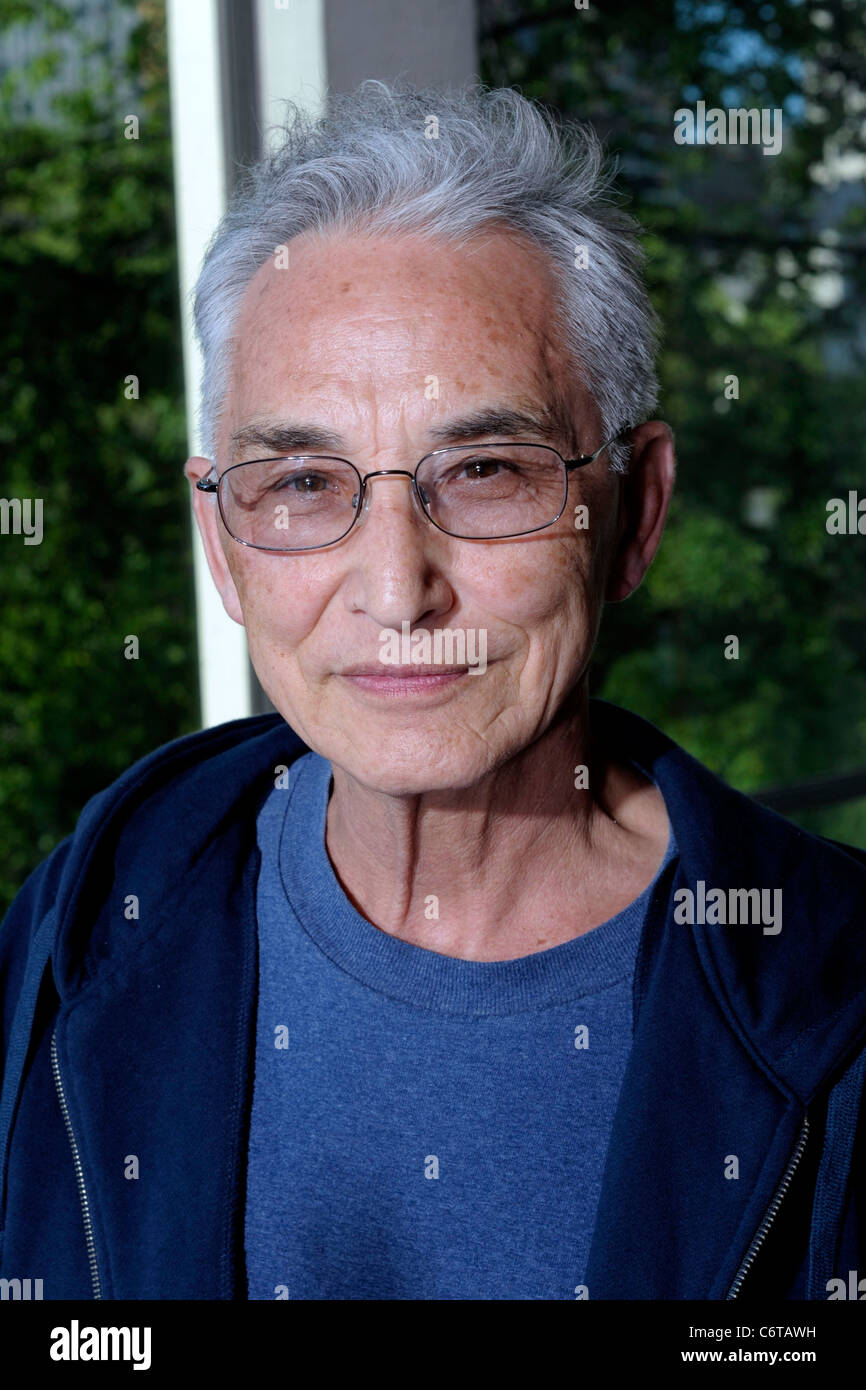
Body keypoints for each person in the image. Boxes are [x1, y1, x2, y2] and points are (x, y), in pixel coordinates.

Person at [1, 80, 864, 1303]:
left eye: (485, 469)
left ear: (635, 510)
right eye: (302, 482)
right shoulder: (79, 927)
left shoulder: (835, 992)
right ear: (220, 544)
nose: (397, 590)